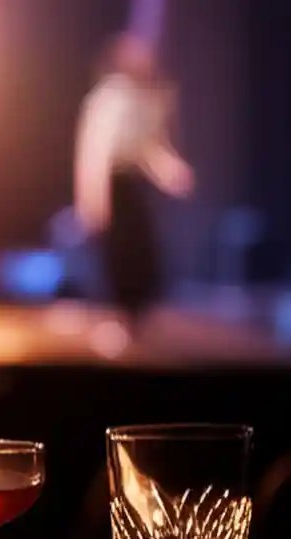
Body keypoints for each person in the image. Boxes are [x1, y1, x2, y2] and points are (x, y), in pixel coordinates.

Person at [74, 34, 194, 332]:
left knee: (140, 250)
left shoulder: (146, 100)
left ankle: (136, 318)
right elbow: (95, 153)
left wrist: (170, 172)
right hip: (112, 183)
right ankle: (117, 317)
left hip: (132, 184)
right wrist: (93, 201)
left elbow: (147, 148)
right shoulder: (110, 97)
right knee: (118, 253)